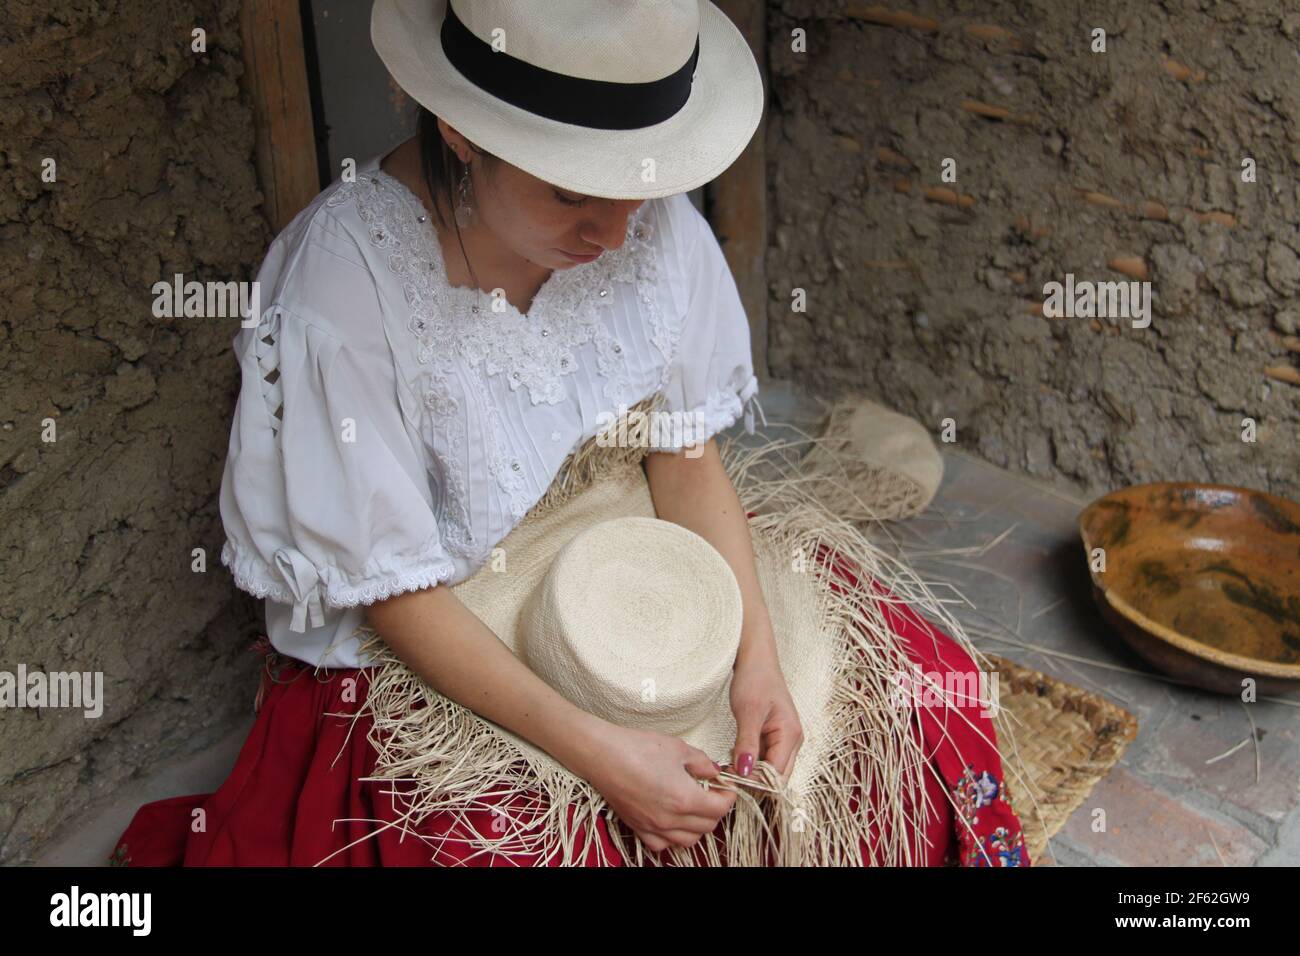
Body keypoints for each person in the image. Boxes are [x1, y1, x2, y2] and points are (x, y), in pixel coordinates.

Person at [109, 0, 1029, 867]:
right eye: (569, 194)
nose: (619, 234)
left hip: (618, 558)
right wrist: (604, 756)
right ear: (463, 133)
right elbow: (395, 596)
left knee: (900, 701)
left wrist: (759, 660)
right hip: (439, 623)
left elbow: (686, 458)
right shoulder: (345, 293)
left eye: (642, 191)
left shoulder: (643, 222)